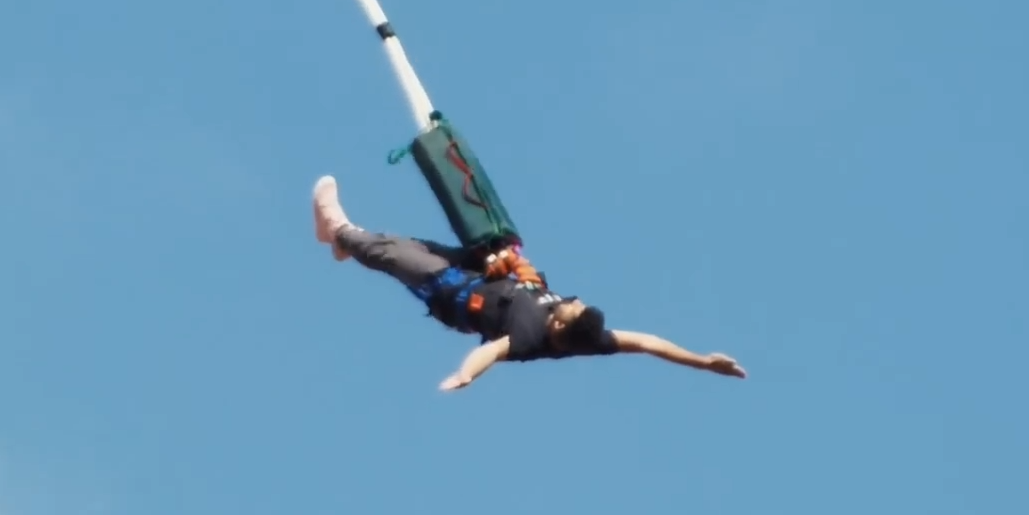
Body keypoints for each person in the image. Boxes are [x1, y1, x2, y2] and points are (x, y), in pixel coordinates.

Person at [311, 175, 748, 391]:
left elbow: (489, 351)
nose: (567, 303)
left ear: (558, 329)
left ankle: (337, 230)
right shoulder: (592, 337)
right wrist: (702, 361)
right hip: (484, 269)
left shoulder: (528, 337)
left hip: (452, 291)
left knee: (392, 254)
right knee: (404, 243)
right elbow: (649, 342)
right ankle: (348, 246)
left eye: (567, 310)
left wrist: (463, 377)